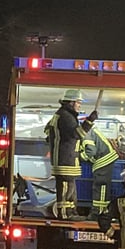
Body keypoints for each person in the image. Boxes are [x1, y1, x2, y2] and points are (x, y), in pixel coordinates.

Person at [45, 89, 88, 219]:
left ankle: (72, 211)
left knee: (70, 187)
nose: (79, 105)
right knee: (65, 188)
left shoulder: (62, 115)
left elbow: (48, 131)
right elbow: (78, 134)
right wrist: (89, 121)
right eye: (78, 102)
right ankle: (64, 213)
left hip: (66, 158)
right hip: (65, 159)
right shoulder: (65, 116)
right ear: (71, 102)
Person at [80, 117, 118, 216]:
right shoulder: (91, 130)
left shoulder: (86, 133)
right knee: (101, 187)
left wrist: (79, 157)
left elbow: (91, 151)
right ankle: (102, 211)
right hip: (105, 158)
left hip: (104, 160)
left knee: (100, 186)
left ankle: (99, 212)